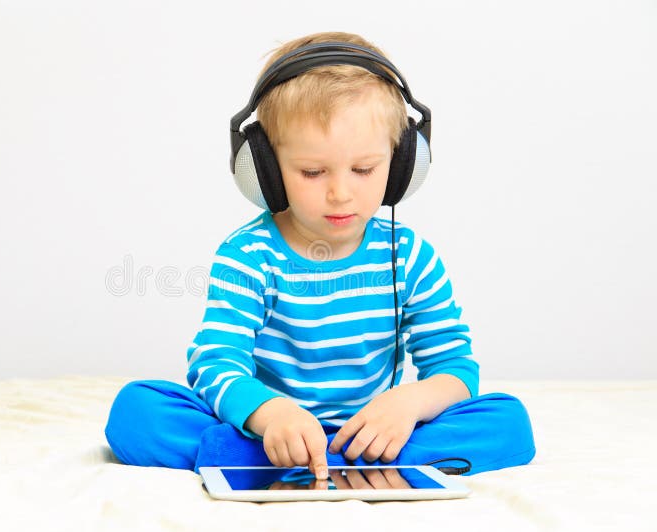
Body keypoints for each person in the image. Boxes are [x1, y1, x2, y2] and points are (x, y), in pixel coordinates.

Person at [105, 31, 535, 481]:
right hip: (269, 434)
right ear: (266, 170)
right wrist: (270, 415)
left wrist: (408, 404)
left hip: (376, 432)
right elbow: (216, 360)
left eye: (364, 169)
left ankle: (288, 461)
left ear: (403, 161)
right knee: (137, 411)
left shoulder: (410, 257)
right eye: (312, 172)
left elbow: (454, 368)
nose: (340, 192)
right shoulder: (249, 255)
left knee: (509, 422)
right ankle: (310, 459)